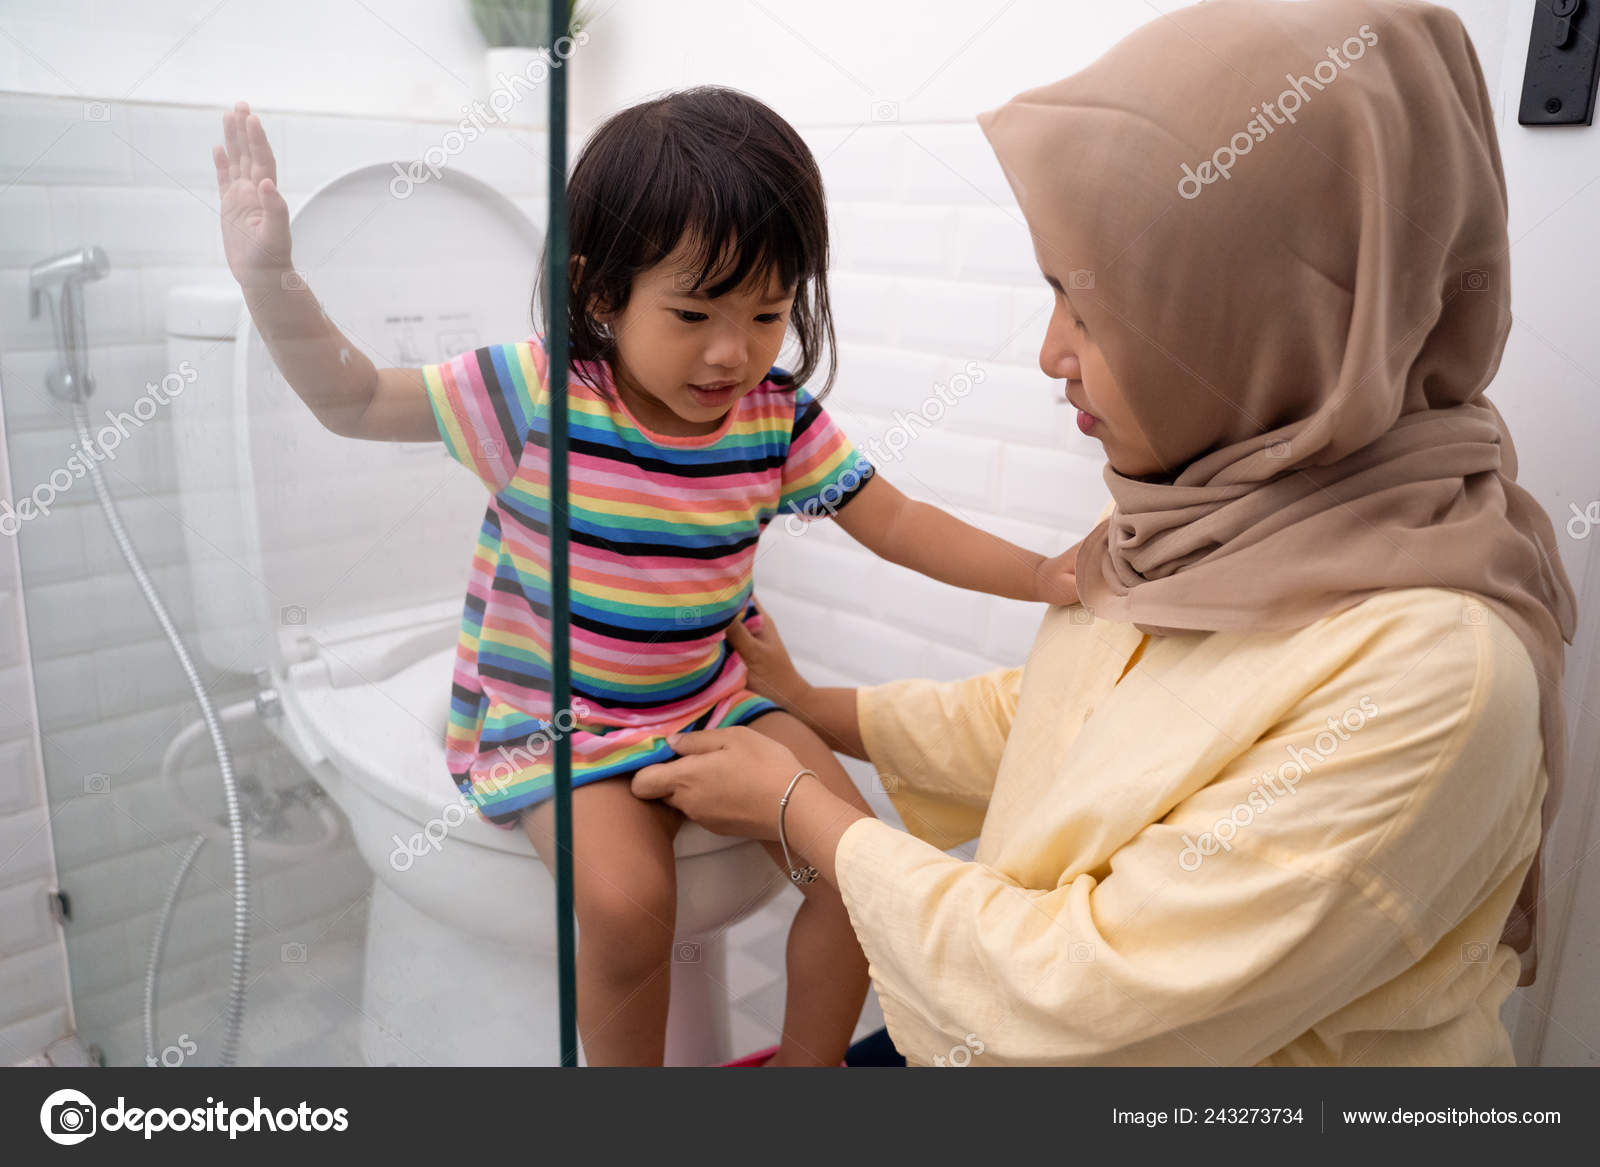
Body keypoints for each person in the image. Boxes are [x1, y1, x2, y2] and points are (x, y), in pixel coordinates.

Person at [632, 0, 1579, 1066]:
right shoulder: (1212, 508)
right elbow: (1066, 723)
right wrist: (814, 709)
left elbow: (1084, 1002)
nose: (1049, 354)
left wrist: (804, 809)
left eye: (1095, 312)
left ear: (1263, 314)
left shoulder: (1434, 677)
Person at [213, 87, 1079, 1066]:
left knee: (861, 872)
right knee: (630, 908)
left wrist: (1047, 572)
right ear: (597, 295)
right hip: (557, 717)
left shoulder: (773, 414)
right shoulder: (537, 395)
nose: (731, 351)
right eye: (694, 312)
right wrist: (270, 278)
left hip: (709, 696)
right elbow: (359, 399)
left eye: (766, 311)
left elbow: (900, 523)